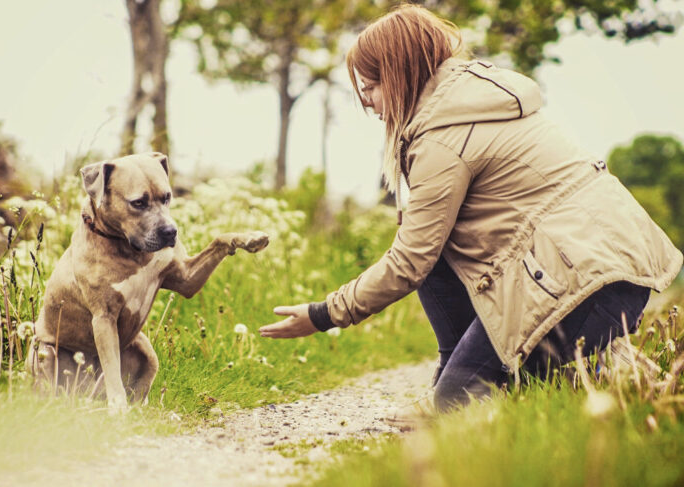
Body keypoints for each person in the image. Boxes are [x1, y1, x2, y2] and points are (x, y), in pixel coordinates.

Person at [258, 4, 683, 416]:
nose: (366, 102)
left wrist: (324, 314)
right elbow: (424, 248)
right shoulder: (467, 102)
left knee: (454, 406)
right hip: (593, 269)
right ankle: (486, 369)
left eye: (369, 87)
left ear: (397, 74)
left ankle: (594, 374)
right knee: (440, 272)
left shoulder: (443, 139)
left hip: (588, 285)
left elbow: (409, 262)